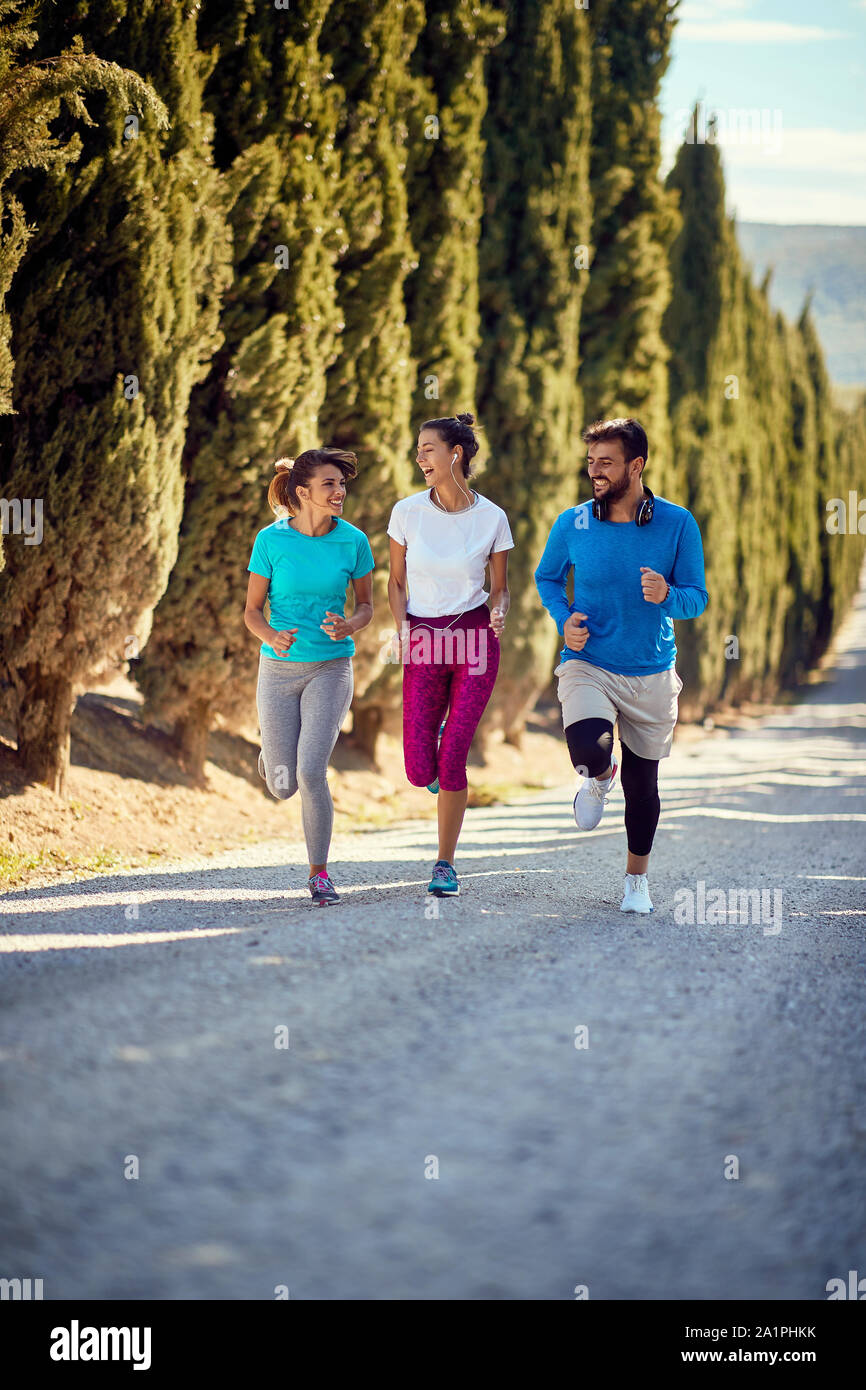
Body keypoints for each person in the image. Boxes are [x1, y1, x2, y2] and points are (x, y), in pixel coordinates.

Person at [534, 417, 708, 913]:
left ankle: (637, 882)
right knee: (589, 749)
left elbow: (697, 599)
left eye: (606, 462)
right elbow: (547, 578)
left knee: (643, 785)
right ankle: (597, 773)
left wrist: (668, 595)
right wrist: (564, 619)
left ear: (637, 465)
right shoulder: (573, 523)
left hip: (651, 671)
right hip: (589, 661)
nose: (595, 471)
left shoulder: (678, 523)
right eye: (591, 462)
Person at [387, 412, 514, 897]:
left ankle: (444, 864)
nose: (419, 457)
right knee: (422, 769)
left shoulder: (493, 518)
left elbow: (499, 589)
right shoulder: (407, 512)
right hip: (423, 637)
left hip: (475, 640)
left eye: (428, 449)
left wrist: (499, 612)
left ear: (455, 453)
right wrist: (400, 627)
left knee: (454, 755)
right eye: (418, 450)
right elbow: (397, 581)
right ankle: (437, 756)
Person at [244, 449, 374, 906]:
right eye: (329, 485)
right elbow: (252, 612)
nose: (339, 492)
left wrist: (350, 625)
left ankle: (319, 875)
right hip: (278, 671)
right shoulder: (270, 540)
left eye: (341, 484)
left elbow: (366, 606)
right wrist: (272, 636)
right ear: (302, 492)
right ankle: (271, 754)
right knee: (283, 784)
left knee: (311, 771)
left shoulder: (353, 541)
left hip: (330, 667)